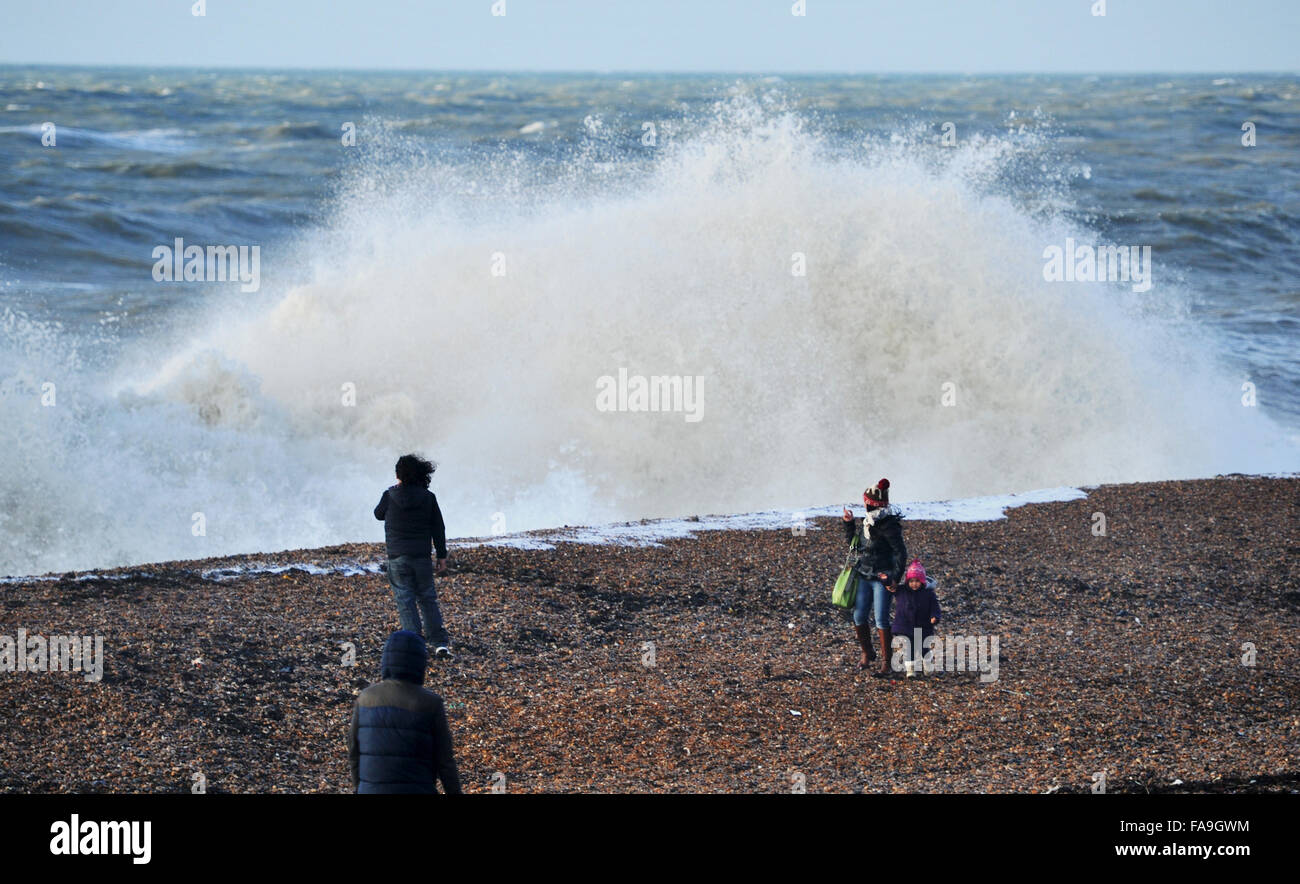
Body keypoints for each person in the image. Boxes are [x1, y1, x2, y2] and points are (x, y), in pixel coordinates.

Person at [347, 630, 463, 794]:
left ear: (386, 660)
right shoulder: (431, 703)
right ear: (420, 663)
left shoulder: (365, 698)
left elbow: (353, 750)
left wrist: (359, 787)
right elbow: (445, 762)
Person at [374, 453, 452, 659]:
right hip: (422, 557)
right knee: (428, 599)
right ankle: (439, 643)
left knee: (405, 599)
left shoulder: (390, 495)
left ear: (399, 475)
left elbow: (378, 514)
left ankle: (415, 644)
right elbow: (438, 528)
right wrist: (441, 557)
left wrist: (395, 489)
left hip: (398, 556)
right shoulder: (428, 497)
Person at [841, 478, 908, 676]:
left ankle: (886, 663)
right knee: (859, 615)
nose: (863, 503)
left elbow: (900, 552)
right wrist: (848, 525)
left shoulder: (888, 526)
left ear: (870, 503)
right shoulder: (867, 522)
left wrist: (895, 577)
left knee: (881, 619)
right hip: (864, 574)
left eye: (865, 501)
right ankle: (867, 653)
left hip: (882, 578)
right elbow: (855, 546)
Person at [891, 559, 942, 677]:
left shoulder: (928, 594)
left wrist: (935, 616)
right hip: (906, 625)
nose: (914, 584)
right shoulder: (902, 591)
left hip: (923, 625)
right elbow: (890, 586)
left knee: (924, 647)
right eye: (912, 581)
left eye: (917, 581)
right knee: (910, 648)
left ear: (922, 581)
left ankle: (928, 665)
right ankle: (910, 670)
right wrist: (886, 579)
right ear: (908, 581)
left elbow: (935, 607)